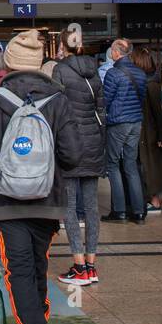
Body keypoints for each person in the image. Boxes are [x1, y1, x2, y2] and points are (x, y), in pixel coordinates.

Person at [0, 29, 81, 324]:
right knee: (38, 265)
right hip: (47, 200)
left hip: (5, 203)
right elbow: (73, 155)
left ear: (7, 64)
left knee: (19, 269)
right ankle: (38, 322)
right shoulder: (58, 100)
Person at [52, 26, 106, 285]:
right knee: (92, 207)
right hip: (93, 141)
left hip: (70, 143)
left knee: (70, 207)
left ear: (64, 46)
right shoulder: (94, 69)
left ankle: (78, 265)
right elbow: (101, 109)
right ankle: (92, 265)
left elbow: (55, 108)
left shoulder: (60, 70)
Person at [101, 39, 147, 223]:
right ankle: (139, 212)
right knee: (131, 165)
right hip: (136, 122)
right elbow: (141, 97)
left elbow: (106, 99)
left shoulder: (113, 73)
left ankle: (119, 211)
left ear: (116, 52)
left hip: (118, 123)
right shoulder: (140, 73)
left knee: (112, 165)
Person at [137, 48, 162, 214]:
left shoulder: (151, 84)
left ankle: (155, 201)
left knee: (151, 166)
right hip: (148, 132)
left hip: (151, 133)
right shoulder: (150, 81)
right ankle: (151, 199)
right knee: (149, 166)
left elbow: (158, 112)